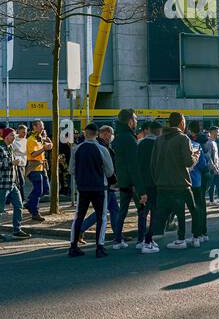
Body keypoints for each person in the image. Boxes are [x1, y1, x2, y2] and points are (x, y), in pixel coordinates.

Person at [149, 112, 199, 249]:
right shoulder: (183, 139)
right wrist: (196, 155)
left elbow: (153, 163)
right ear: (181, 123)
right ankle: (188, 238)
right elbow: (188, 162)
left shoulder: (159, 139)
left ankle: (151, 240)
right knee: (190, 210)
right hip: (181, 183)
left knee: (162, 213)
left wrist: (157, 180)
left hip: (162, 184)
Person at [69, 124, 112, 258]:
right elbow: (110, 171)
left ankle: (73, 246)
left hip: (82, 187)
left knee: (78, 216)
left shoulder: (77, 149)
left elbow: (71, 170)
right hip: (99, 187)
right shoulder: (102, 149)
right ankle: (99, 247)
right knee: (102, 217)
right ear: (97, 134)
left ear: (85, 133)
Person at [0, 127, 29, 241]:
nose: (14, 137)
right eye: (12, 135)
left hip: (12, 184)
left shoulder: (10, 148)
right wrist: (11, 163)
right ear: (6, 136)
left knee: (19, 206)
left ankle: (17, 230)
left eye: (14, 135)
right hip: (2, 185)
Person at [110, 109, 140, 248]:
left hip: (122, 180)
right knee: (142, 210)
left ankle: (117, 239)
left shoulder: (117, 137)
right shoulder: (130, 139)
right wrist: (138, 184)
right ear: (130, 122)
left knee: (123, 211)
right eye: (135, 119)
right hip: (132, 182)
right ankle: (142, 240)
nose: (136, 121)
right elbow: (134, 164)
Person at [135, 120, 162, 253]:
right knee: (155, 212)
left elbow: (137, 164)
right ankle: (148, 240)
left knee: (143, 212)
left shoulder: (140, 143)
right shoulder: (159, 144)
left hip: (142, 183)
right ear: (159, 131)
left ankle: (141, 239)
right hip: (155, 182)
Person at [23, 121, 53, 218]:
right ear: (34, 127)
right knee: (38, 190)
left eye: (43, 126)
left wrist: (46, 138)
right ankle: (34, 212)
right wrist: (44, 148)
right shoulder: (31, 140)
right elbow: (33, 154)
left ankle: (29, 204)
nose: (42, 128)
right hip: (33, 167)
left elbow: (51, 146)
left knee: (46, 189)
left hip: (41, 167)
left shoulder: (40, 138)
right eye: (40, 126)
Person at [202, 126, 219, 211]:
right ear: (212, 132)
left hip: (216, 168)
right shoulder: (209, 143)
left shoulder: (213, 142)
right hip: (213, 169)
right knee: (210, 187)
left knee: (215, 186)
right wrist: (214, 168)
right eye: (217, 132)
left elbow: (214, 157)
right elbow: (208, 157)